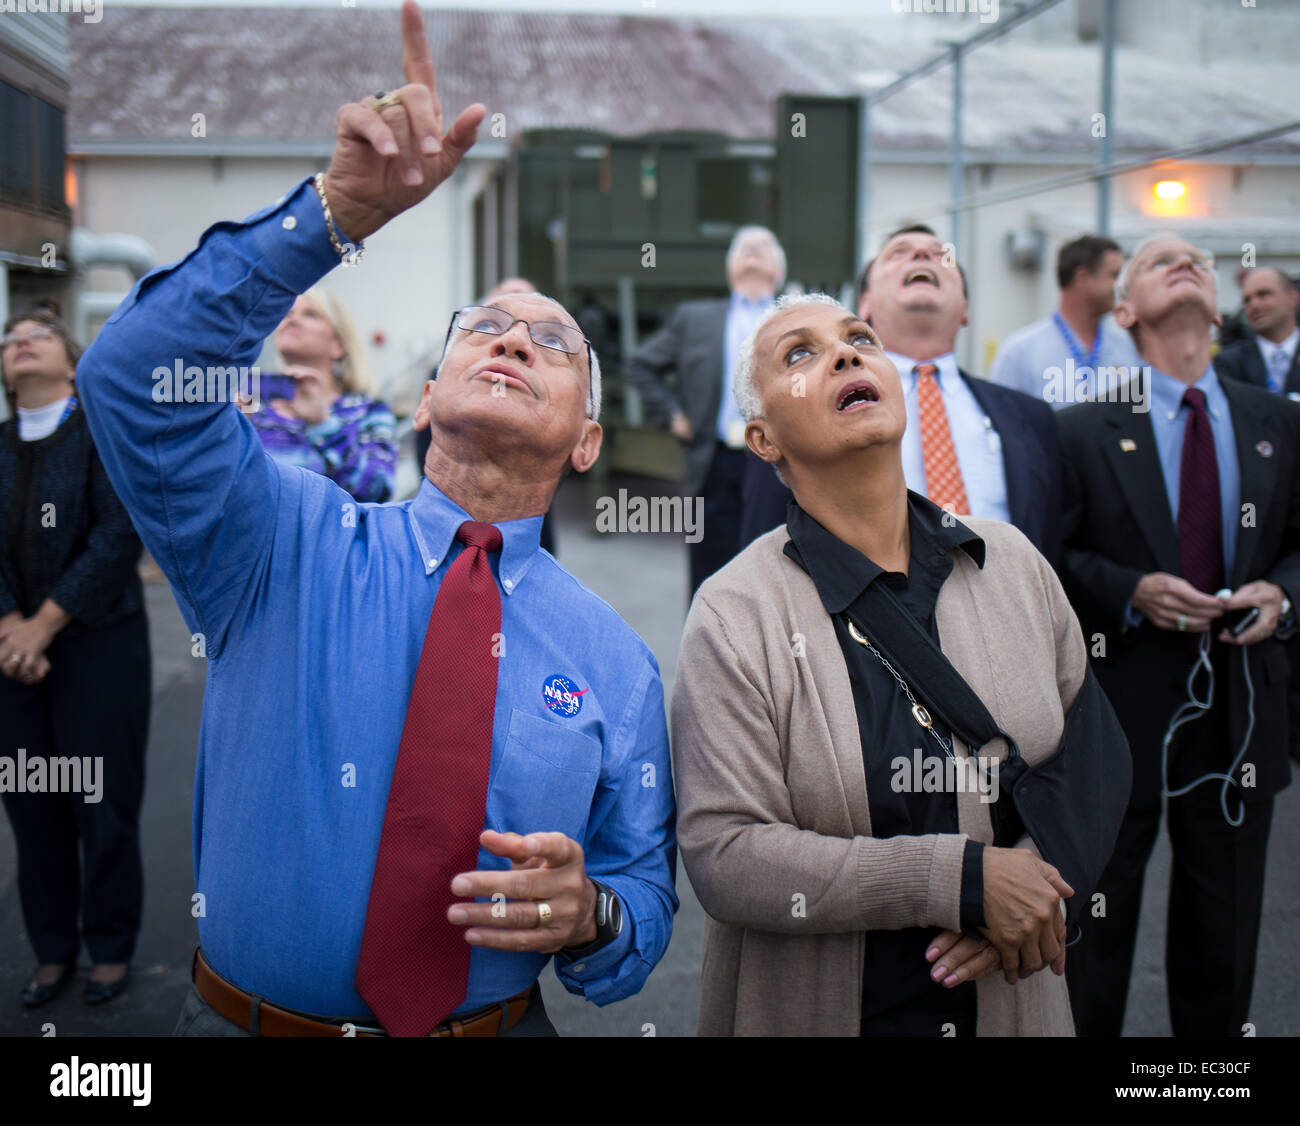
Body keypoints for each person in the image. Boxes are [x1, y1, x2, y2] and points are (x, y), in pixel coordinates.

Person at [77, 1, 675, 1039]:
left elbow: (643, 902)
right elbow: (131, 378)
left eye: (552, 340)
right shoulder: (280, 543)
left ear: (587, 440)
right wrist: (333, 215)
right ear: (425, 397)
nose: (513, 338)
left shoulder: (618, 663)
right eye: (483, 326)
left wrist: (595, 916)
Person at [671, 293, 1114, 1036]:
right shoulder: (734, 610)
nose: (846, 353)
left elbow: (1094, 751)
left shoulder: (1009, 558)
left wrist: (1032, 885)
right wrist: (962, 884)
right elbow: (727, 855)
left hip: (1012, 1000)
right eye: (800, 354)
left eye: (859, 338)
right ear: (762, 438)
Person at [1058, 235, 1300, 1037]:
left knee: (1222, 942)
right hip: (1116, 719)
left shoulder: (1280, 422)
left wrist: (1283, 594)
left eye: (1199, 258)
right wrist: (1132, 591)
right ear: (1123, 311)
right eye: (1161, 260)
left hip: (1240, 713)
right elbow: (1051, 558)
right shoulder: (1083, 428)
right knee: (1093, 940)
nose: (1187, 260)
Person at [739, 225, 1062, 567]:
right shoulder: (799, 415)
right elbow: (766, 557)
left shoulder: (1033, 419)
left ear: (965, 307)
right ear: (864, 305)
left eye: (941, 255)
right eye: (898, 253)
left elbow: (1054, 549)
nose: (922, 256)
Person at [0, 307, 150, 1008]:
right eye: (9, 339)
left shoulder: (100, 435)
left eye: (35, 334)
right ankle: (53, 950)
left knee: (102, 804)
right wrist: (12, 628)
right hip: (10, 658)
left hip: (99, 648)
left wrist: (44, 625)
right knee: (34, 806)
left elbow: (118, 536)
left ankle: (110, 947)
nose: (17, 341)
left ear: (71, 363)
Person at [623, 225, 785, 597]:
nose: (754, 251)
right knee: (710, 578)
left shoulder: (796, 321)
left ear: (779, 272)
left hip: (780, 466)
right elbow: (640, 366)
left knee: (776, 574)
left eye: (764, 247)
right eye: (745, 247)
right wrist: (673, 415)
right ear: (730, 270)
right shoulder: (695, 318)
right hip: (713, 462)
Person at [416, 277, 556, 554]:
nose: (516, 334)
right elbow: (425, 446)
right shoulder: (449, 371)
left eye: (531, 306)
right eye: (501, 314)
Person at [248, 286, 398, 502]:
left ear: (338, 345)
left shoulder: (369, 411)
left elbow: (379, 492)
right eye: (287, 313)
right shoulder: (251, 404)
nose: (292, 320)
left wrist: (322, 424)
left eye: (311, 314)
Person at [988, 234, 1141, 408]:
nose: (1123, 287)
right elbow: (1002, 420)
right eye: (1114, 275)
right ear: (1082, 278)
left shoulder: (1127, 349)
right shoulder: (1020, 352)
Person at [1213, 267, 1300, 396]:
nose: (1254, 305)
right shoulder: (1228, 363)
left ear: (1293, 297)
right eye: (1246, 300)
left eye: (1263, 294)